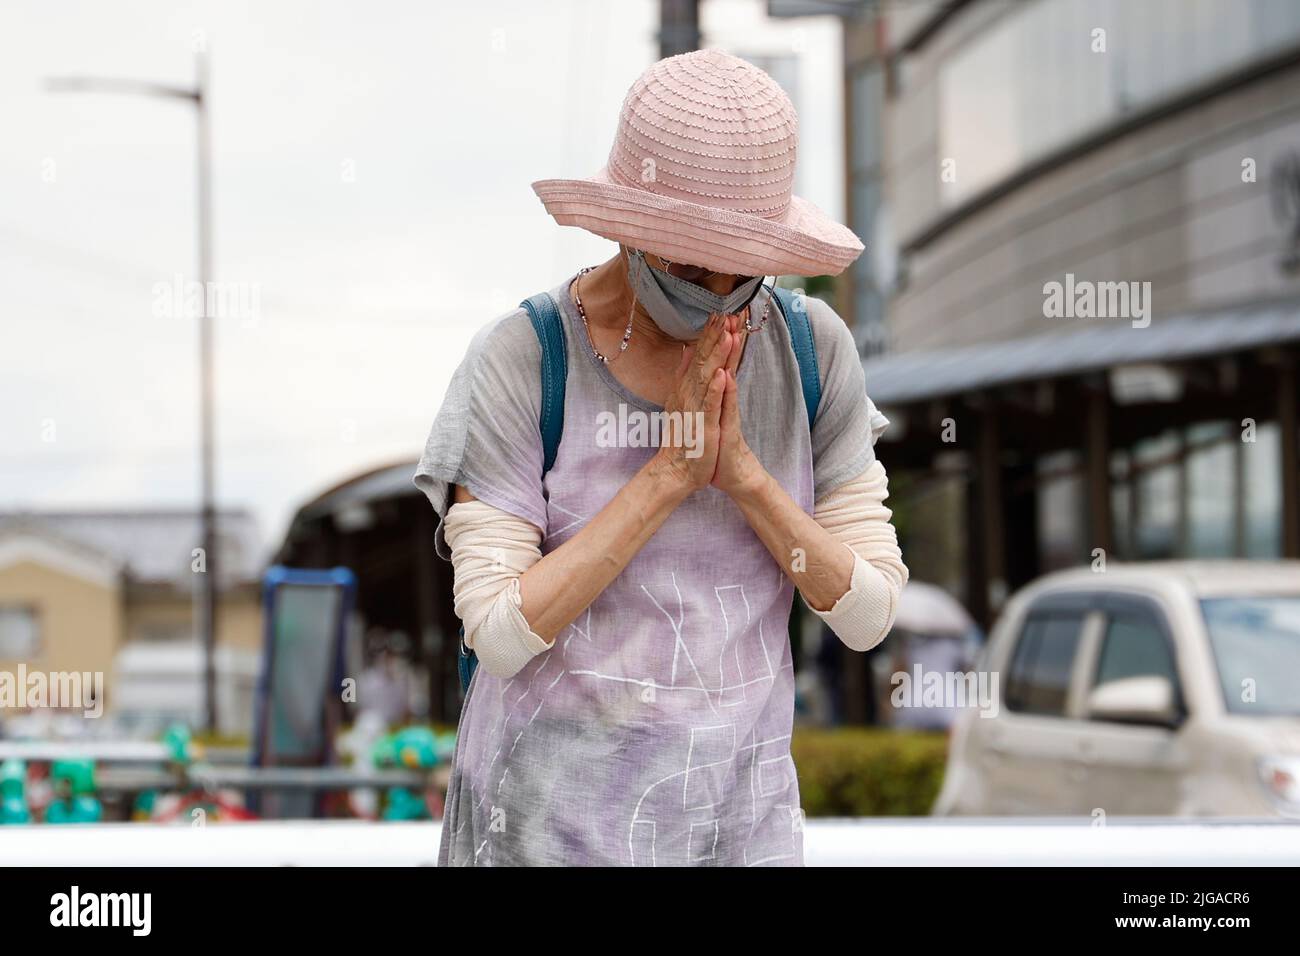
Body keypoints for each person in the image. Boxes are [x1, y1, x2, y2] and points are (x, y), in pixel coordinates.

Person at [413, 49, 908, 866]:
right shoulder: (524, 359)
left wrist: (744, 477)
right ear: (628, 231)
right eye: (685, 263)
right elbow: (500, 634)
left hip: (740, 834)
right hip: (540, 833)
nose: (715, 293)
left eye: (740, 269)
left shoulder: (813, 351)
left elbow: (866, 615)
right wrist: (670, 474)